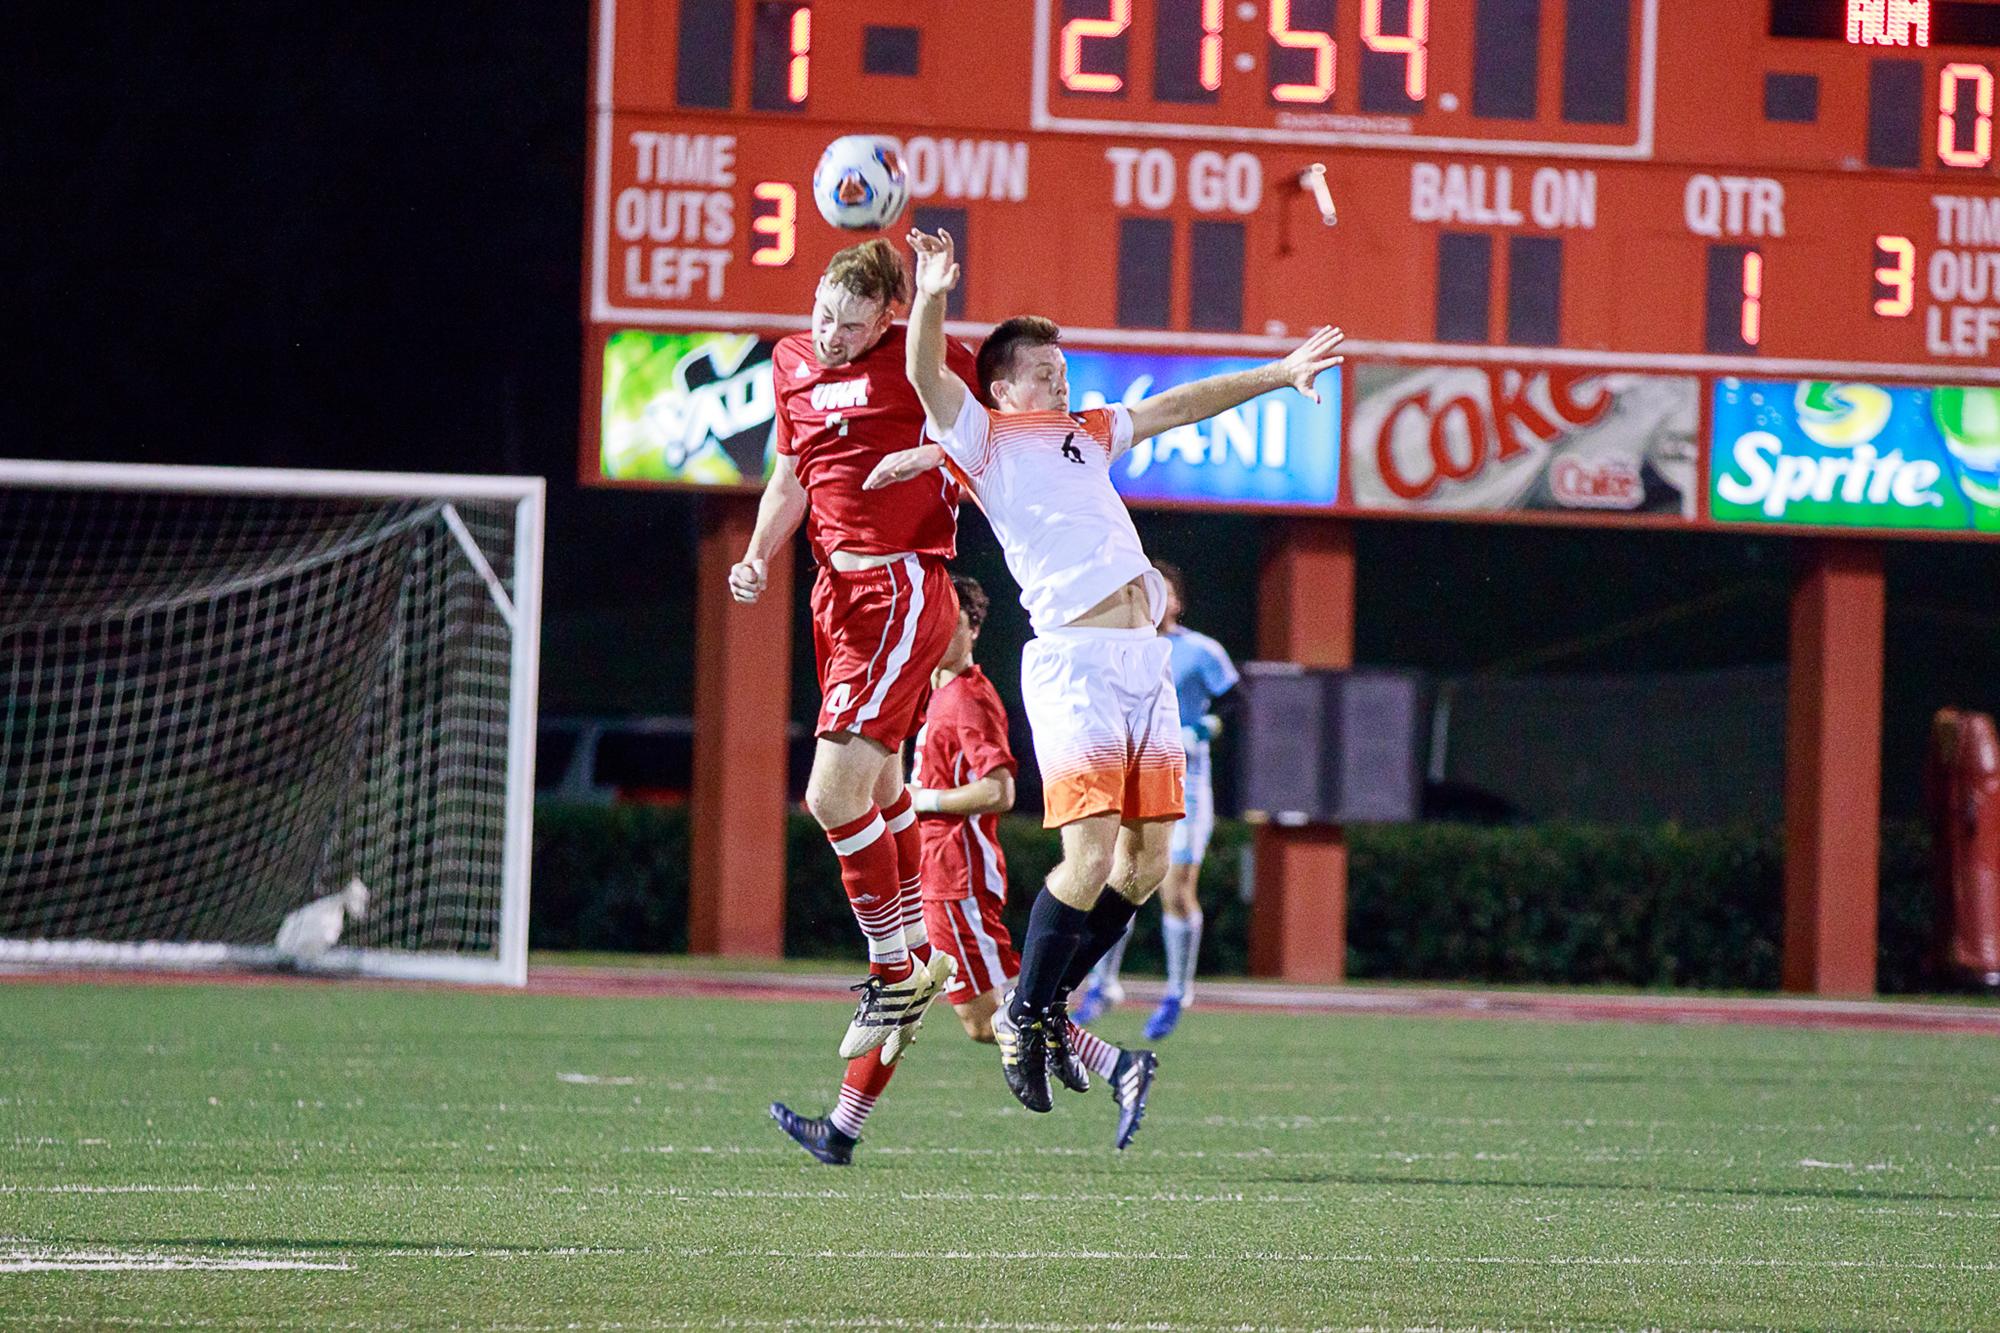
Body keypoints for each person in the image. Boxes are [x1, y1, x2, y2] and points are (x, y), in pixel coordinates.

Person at [867, 229, 1342, 1114]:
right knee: (1084, 858)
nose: (1062, 377)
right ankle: (1029, 1012)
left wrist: (1278, 373)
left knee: (1147, 861)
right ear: (1004, 385)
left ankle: (1034, 1007)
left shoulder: (1087, 430)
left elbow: (1183, 403)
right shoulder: (982, 435)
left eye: (1063, 365)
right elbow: (930, 373)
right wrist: (931, 290)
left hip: (1143, 664)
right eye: (1045, 369)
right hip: (1078, 665)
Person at [769, 577, 1158, 1163]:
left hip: (959, 879)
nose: (936, 631)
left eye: (949, 621)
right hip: (929, 874)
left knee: (991, 1016)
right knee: (909, 995)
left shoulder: (969, 698)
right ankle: (842, 1130)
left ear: (972, 629)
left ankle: (1119, 1065)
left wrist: (920, 801)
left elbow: (1000, 789)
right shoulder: (930, 693)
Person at [728, 239, 982, 1063]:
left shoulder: (923, 357)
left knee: (830, 796)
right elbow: (790, 476)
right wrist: (761, 553)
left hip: (901, 589)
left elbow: (990, 440)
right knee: (881, 786)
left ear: (886, 320)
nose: (830, 334)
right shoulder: (791, 360)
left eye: (849, 323)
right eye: (821, 315)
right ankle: (916, 946)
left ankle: (893, 968)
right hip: (834, 596)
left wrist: (938, 451)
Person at [1073, 560, 1239, 1039]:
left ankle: (1176, 991)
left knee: (1175, 886)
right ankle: (1104, 984)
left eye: (1161, 593)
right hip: (1131, 777)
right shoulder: (1121, 650)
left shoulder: (1201, 650)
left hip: (1187, 781)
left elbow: (1235, 700)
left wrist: (1204, 728)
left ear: (1178, 602)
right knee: (1114, 879)